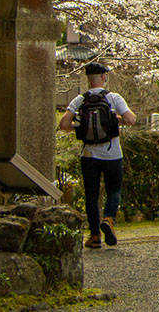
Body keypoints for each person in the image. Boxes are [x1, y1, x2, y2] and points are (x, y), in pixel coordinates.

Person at [59, 62, 137, 249]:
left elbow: (64, 124)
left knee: (91, 195)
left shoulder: (80, 99)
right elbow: (131, 120)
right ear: (103, 77)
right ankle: (109, 219)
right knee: (114, 190)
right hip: (112, 154)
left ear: (88, 79)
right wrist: (115, 119)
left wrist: (78, 126)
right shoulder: (113, 98)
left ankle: (94, 236)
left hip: (89, 154)